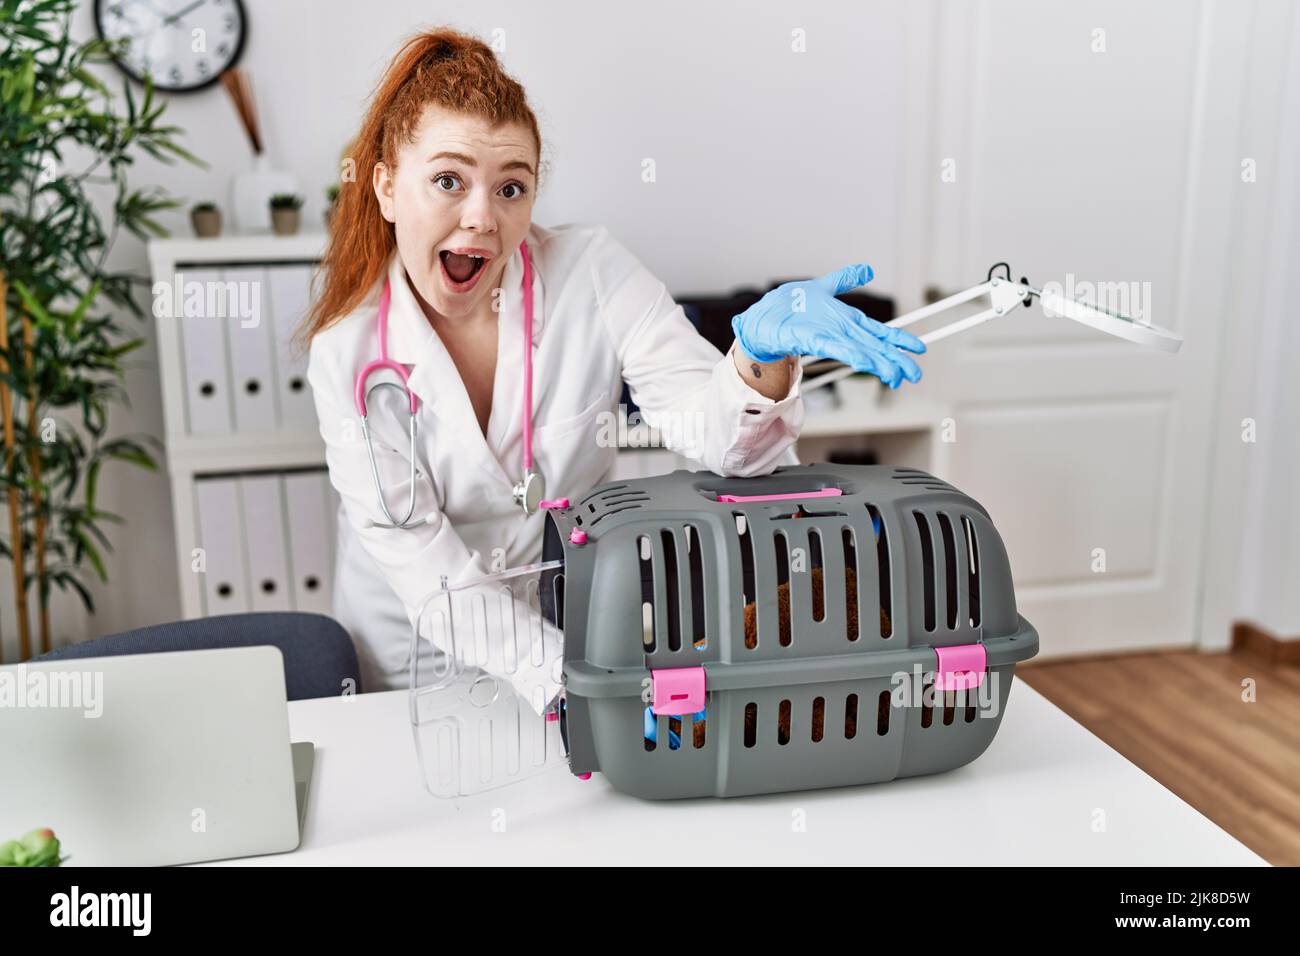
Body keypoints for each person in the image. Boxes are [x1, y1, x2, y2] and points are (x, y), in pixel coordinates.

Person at [302, 28, 925, 693]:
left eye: (511, 188)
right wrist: (568, 683)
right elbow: (420, 558)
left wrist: (759, 358)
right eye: (448, 180)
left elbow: (724, 443)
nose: (483, 217)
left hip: (565, 618)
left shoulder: (591, 273)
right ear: (388, 188)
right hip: (413, 649)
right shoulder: (349, 354)